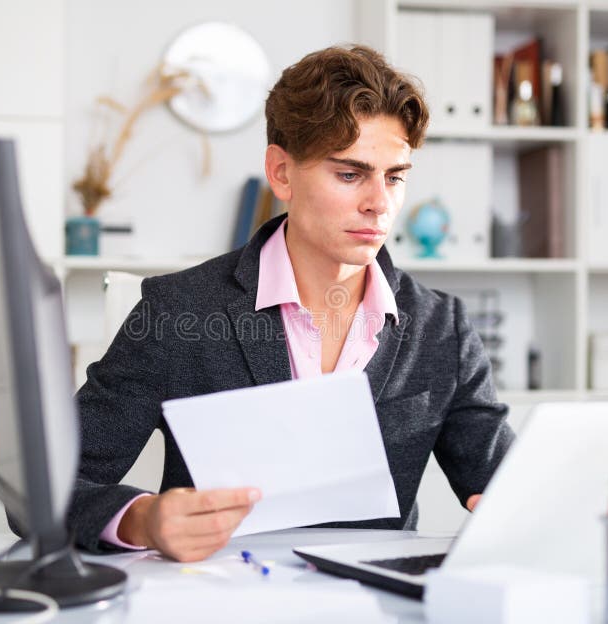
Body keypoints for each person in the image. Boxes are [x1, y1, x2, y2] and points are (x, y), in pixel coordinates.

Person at [66, 45, 514, 562]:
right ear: (281, 173)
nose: (380, 202)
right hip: (219, 600)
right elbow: (49, 483)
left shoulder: (443, 328)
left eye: (395, 176)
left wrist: (521, 505)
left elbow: (507, 484)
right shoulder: (178, 313)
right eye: (350, 174)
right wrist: (142, 518)